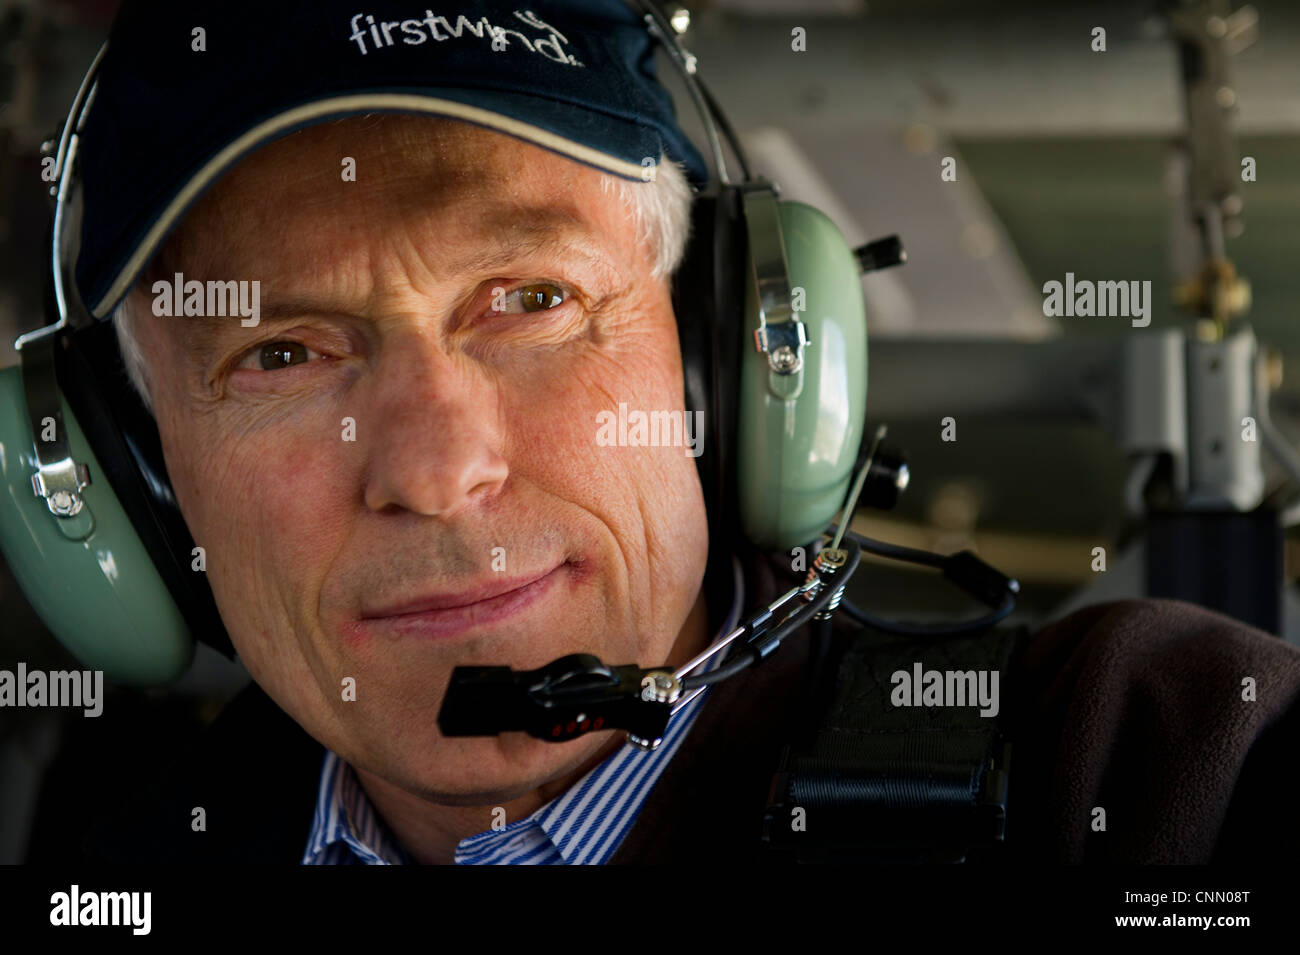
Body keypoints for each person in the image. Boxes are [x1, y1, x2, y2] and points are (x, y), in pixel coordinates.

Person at [31, 0, 1300, 865]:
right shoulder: (111, 861)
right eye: (281, 356)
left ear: (731, 360)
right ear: (132, 477)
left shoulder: (1140, 768)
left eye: (531, 300)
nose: (432, 468)